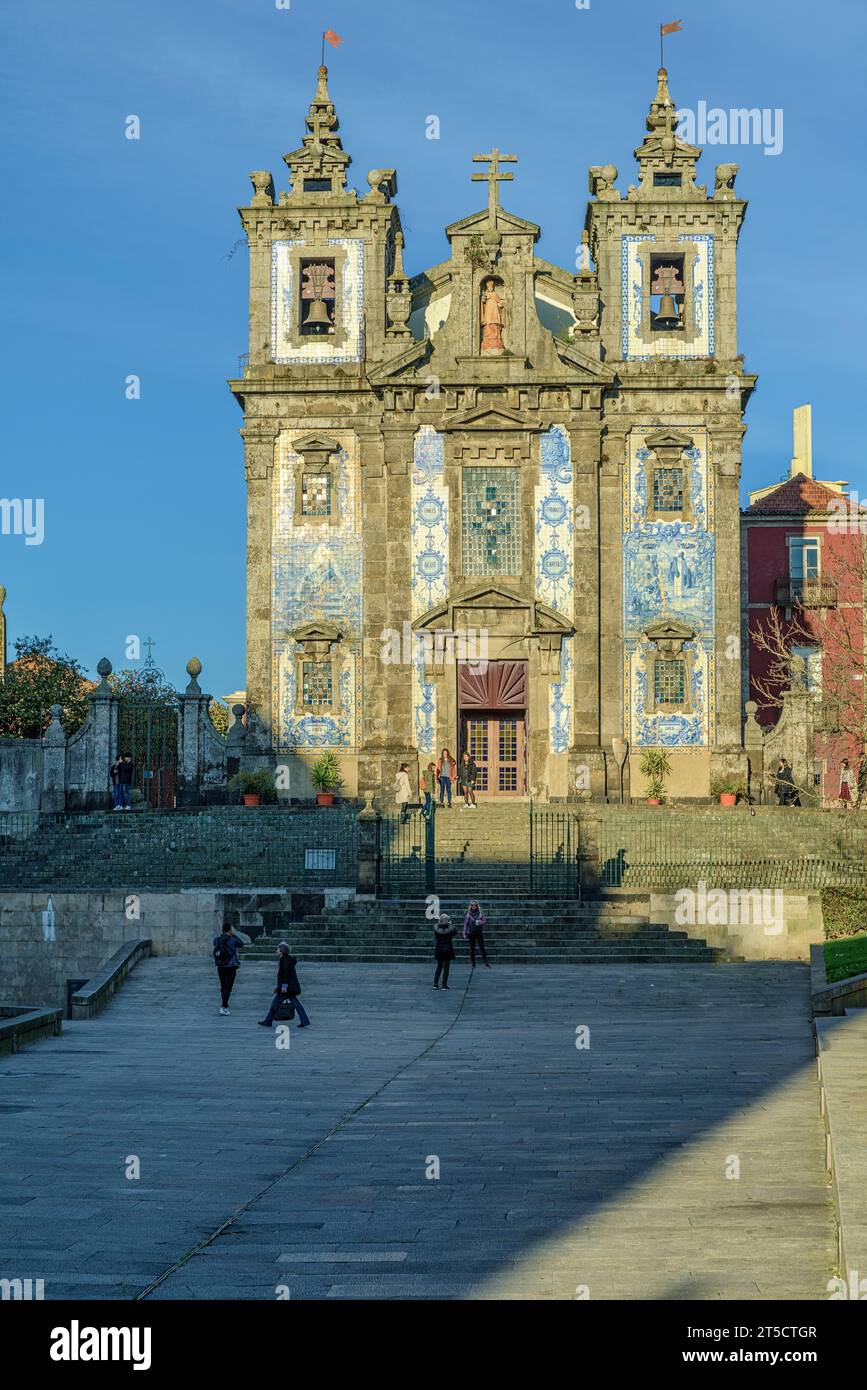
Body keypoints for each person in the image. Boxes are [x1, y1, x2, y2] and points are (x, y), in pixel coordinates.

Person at [258, 942, 311, 1028]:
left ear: (282, 951)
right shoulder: (287, 959)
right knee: (295, 1005)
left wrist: (283, 987)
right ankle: (304, 1021)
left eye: (278, 949)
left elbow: (285, 975)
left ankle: (268, 1021)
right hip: (289, 987)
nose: (276, 951)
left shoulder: (284, 960)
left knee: (275, 1004)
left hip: (287, 988)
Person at [212, 921, 243, 1016]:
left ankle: (225, 1006)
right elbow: (241, 944)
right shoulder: (232, 940)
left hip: (220, 966)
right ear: (230, 930)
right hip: (231, 965)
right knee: (228, 987)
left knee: (223, 987)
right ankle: (224, 1006)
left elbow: (215, 945)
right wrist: (234, 935)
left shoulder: (217, 939)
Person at [463, 899, 491, 968]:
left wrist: (479, 922)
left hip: (479, 932)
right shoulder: (468, 913)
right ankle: (473, 963)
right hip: (471, 933)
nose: (474, 906)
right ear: (470, 906)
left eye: (475, 905)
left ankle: (486, 962)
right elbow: (465, 924)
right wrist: (464, 932)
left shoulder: (480, 912)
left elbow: (484, 921)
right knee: (472, 949)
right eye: (472, 905)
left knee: (482, 947)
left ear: (477, 905)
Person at [433, 914, 457, 990]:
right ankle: (444, 985)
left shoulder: (436, 929)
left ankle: (435, 984)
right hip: (447, 949)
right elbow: (455, 932)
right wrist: (451, 924)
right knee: (446, 967)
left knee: (439, 967)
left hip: (439, 949)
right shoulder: (450, 929)